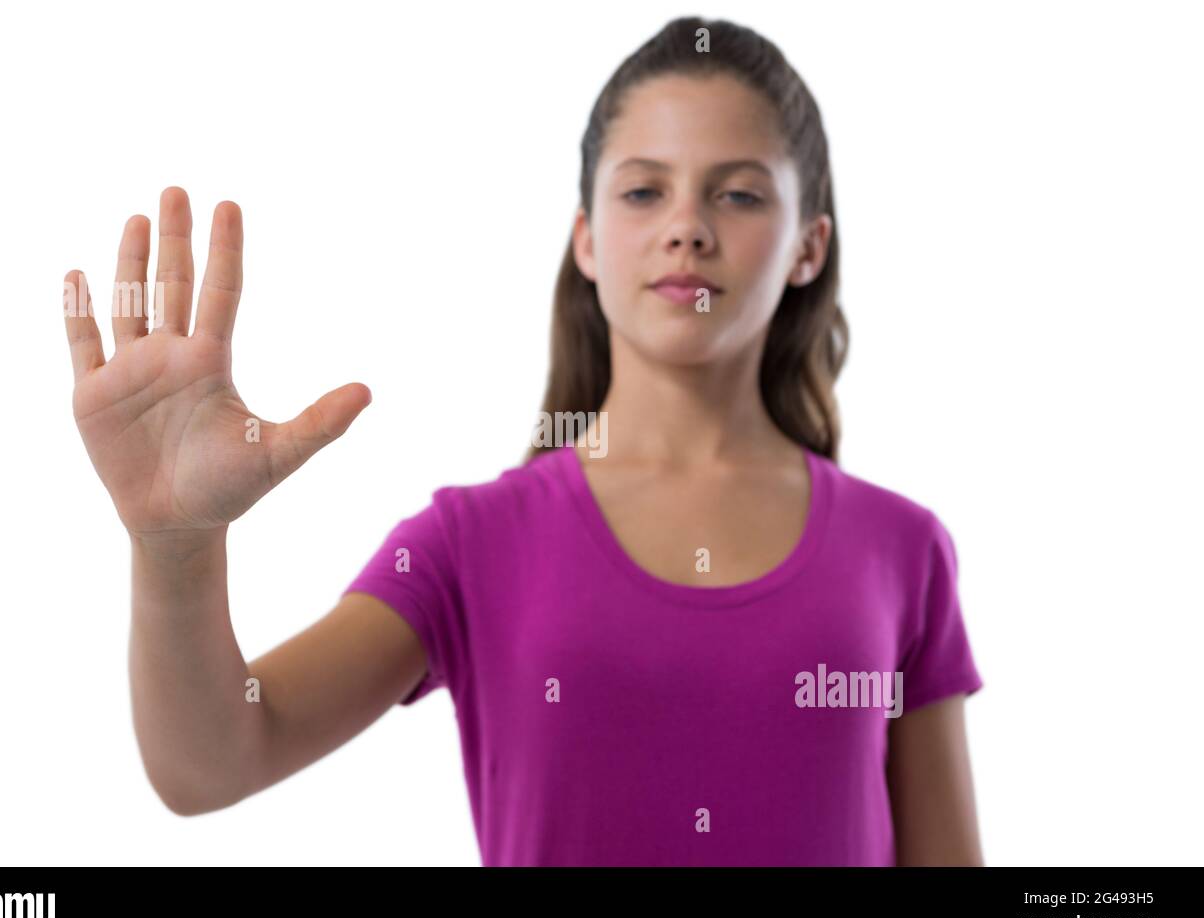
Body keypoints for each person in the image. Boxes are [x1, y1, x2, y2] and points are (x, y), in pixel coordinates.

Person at [61, 16, 984, 866]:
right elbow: (213, 761)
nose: (687, 229)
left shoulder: (902, 551)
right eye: (643, 190)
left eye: (738, 194)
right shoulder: (471, 543)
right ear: (586, 239)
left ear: (808, 246)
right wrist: (174, 548)